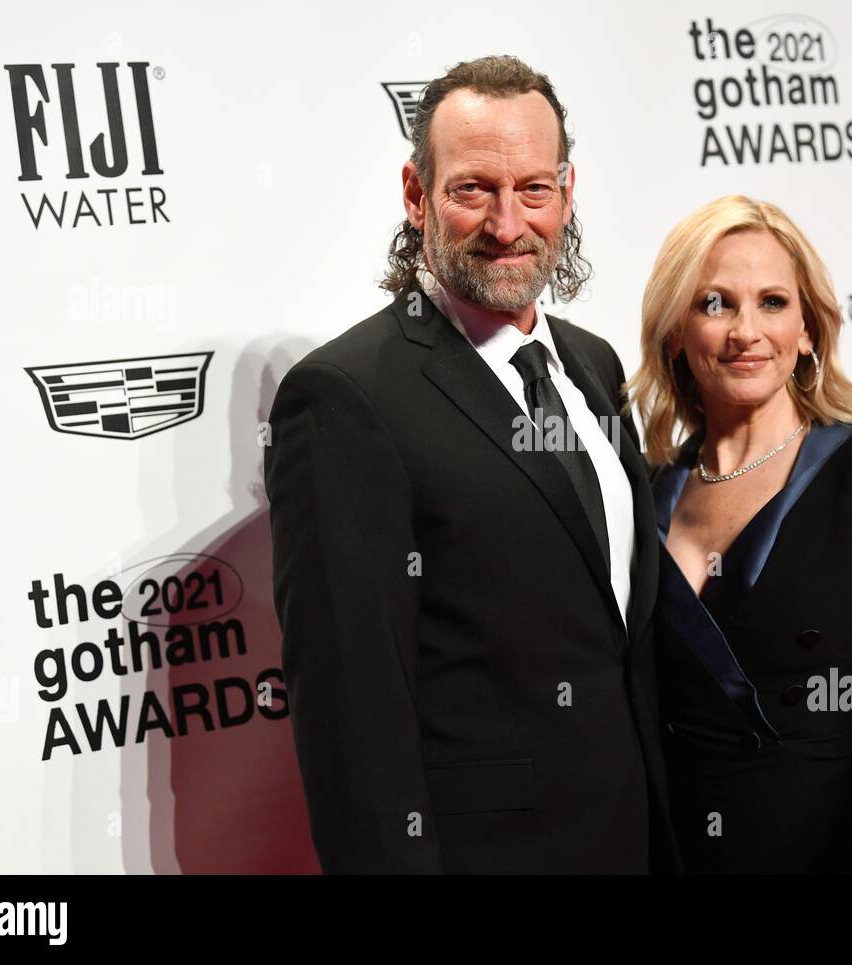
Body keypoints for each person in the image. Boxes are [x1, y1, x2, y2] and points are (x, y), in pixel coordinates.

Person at [263, 55, 679, 873]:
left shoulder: (592, 366)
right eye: (472, 189)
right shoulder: (348, 396)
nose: (506, 222)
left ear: (566, 192)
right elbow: (353, 715)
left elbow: (622, 626)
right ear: (417, 194)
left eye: (532, 188)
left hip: (633, 837)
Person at [626, 194, 852, 874]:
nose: (745, 331)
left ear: (809, 329)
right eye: (714, 303)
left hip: (839, 850)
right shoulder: (641, 492)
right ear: (676, 332)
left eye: (772, 302)